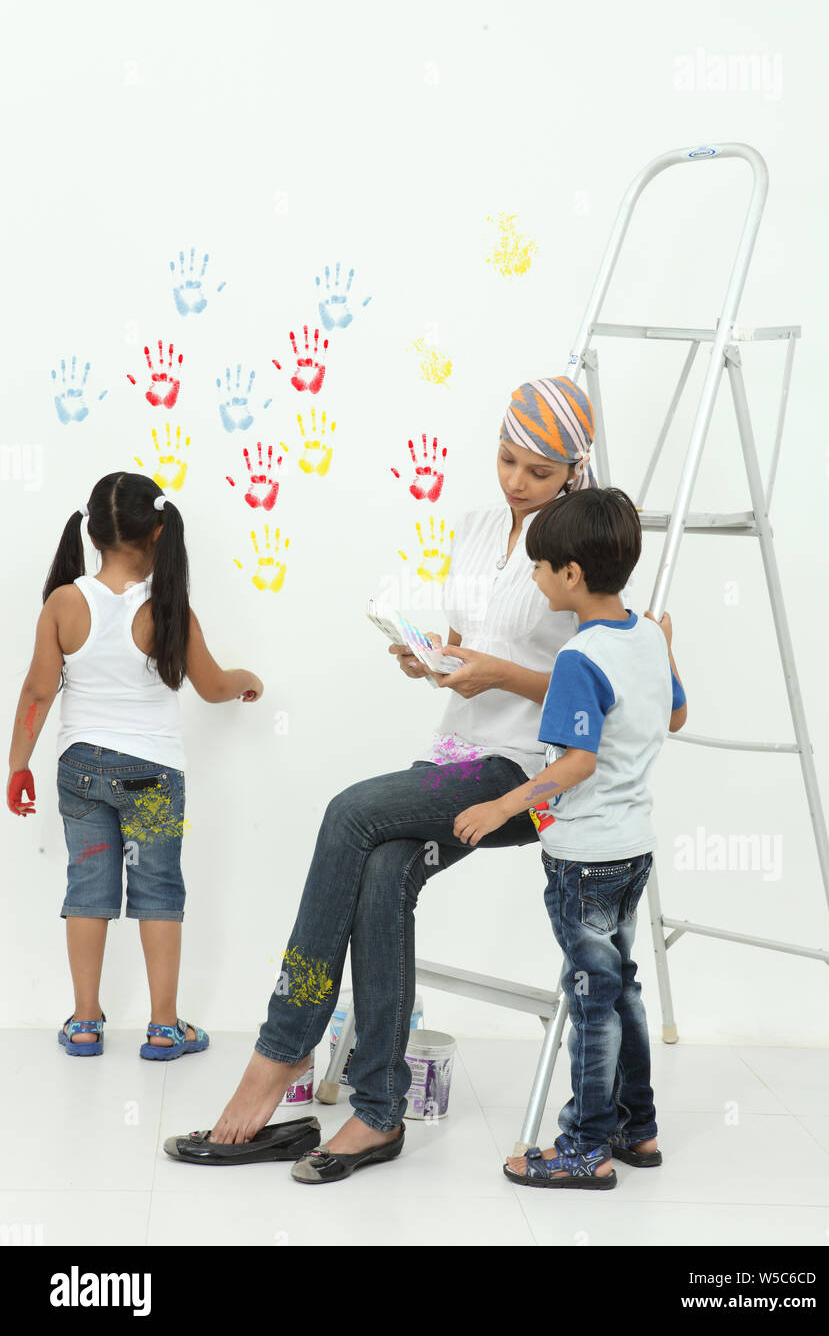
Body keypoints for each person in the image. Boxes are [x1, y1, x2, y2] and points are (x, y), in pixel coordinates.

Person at [163, 375, 600, 1181]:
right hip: (456, 756)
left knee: (348, 814)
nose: (515, 482)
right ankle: (376, 1114)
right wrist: (430, 660)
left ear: (572, 471)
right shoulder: (475, 527)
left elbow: (597, 688)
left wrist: (501, 674)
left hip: (529, 776)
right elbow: (475, 648)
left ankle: (279, 1055)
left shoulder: (583, 545)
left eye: (538, 472)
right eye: (507, 459)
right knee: (384, 873)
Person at [453, 486, 687, 1188]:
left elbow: (577, 762)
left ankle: (585, 1149)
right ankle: (636, 1130)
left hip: (585, 857)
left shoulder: (578, 661)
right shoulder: (646, 633)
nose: (532, 577)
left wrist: (503, 806)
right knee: (621, 993)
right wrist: (667, 653)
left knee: (592, 1002)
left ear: (571, 576)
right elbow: (675, 716)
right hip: (634, 847)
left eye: (538, 567)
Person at [6, 472, 263, 1059]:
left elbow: (37, 693)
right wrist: (247, 681)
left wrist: (18, 766)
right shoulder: (168, 609)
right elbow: (214, 685)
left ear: (92, 532)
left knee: (88, 888)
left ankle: (86, 1022)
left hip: (80, 773)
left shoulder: (65, 602)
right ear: (158, 531)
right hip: (153, 777)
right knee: (157, 890)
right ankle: (164, 1027)